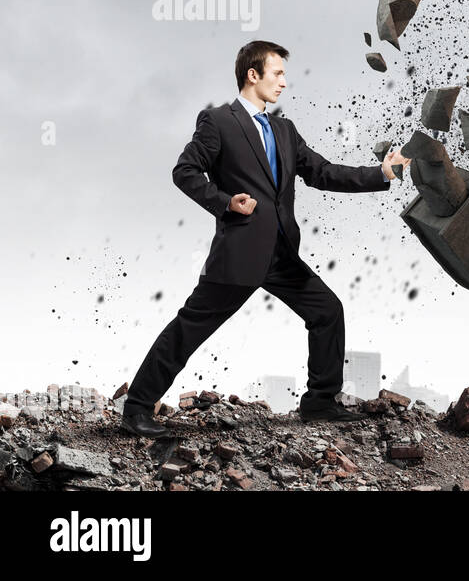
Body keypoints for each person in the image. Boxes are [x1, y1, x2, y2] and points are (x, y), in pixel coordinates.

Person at [119, 40, 410, 437]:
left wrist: (382, 173)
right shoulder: (218, 122)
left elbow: (322, 172)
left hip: (281, 253)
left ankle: (319, 403)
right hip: (239, 253)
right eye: (278, 74)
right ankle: (136, 410)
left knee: (327, 311)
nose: (284, 83)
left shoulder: (284, 129)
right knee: (190, 328)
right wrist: (225, 202)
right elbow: (185, 171)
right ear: (252, 75)